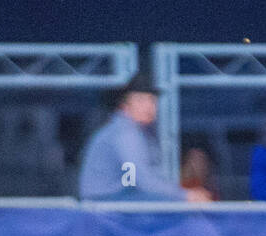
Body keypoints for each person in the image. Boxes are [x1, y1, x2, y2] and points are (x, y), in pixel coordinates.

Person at [78, 72, 207, 202]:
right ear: (124, 106)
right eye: (141, 100)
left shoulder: (129, 131)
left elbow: (136, 179)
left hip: (110, 201)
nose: (149, 107)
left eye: (152, 101)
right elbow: (140, 180)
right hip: (107, 205)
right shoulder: (125, 133)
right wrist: (186, 195)